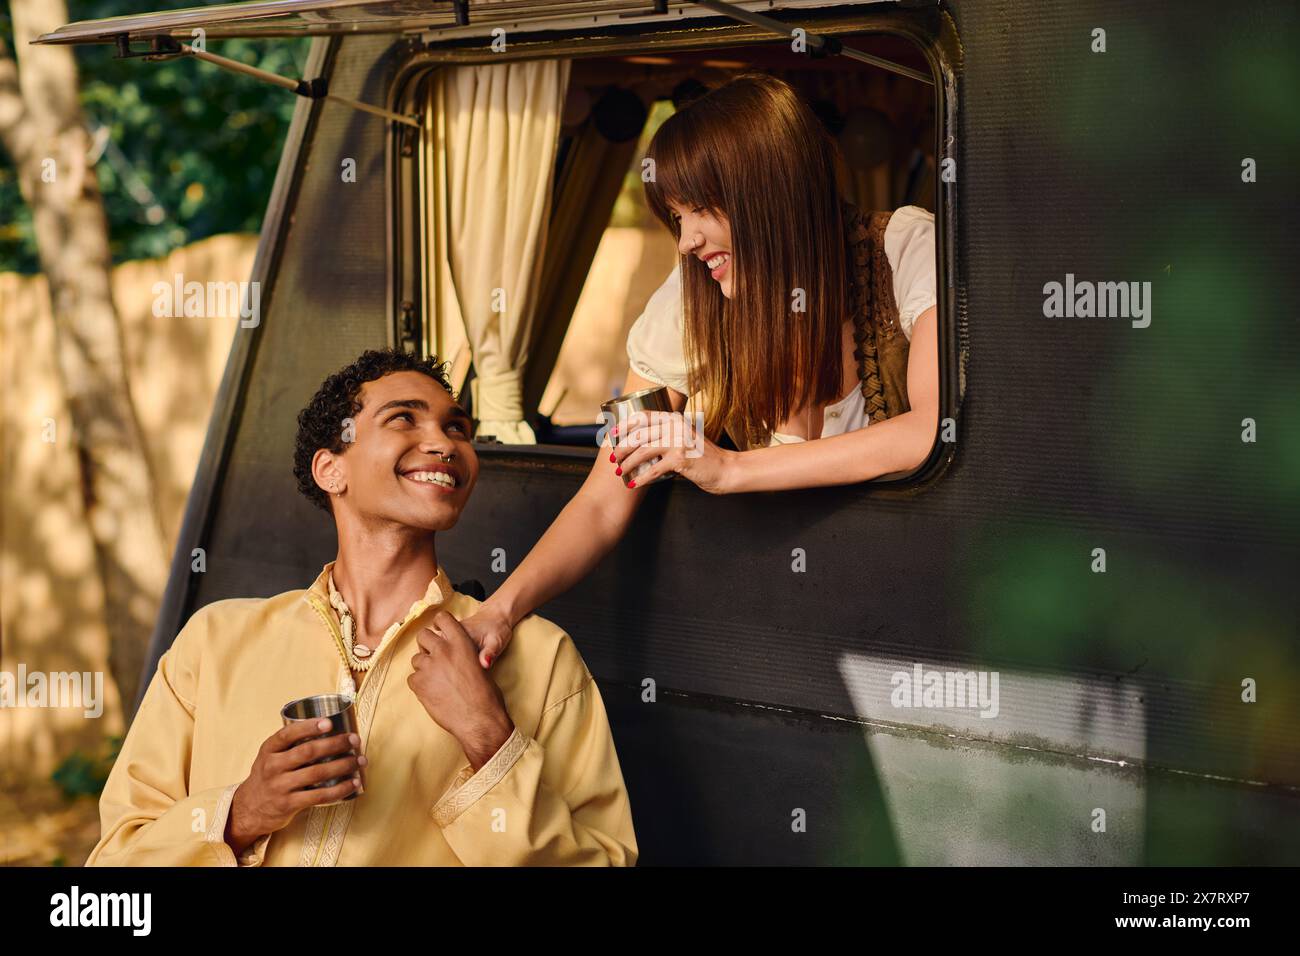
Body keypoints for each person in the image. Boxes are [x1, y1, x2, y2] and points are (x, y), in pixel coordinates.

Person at [87, 349, 637, 866]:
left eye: (457, 429)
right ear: (332, 470)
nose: (446, 444)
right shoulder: (215, 643)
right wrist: (242, 814)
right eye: (404, 418)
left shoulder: (539, 657)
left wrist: (489, 739)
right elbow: (116, 859)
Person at [461, 73, 938, 668]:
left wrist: (729, 469)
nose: (686, 241)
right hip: (768, 621)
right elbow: (605, 498)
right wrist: (499, 611)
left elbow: (926, 432)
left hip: (912, 615)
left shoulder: (906, 249)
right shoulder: (691, 300)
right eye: (676, 217)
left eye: (700, 210)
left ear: (772, 188)